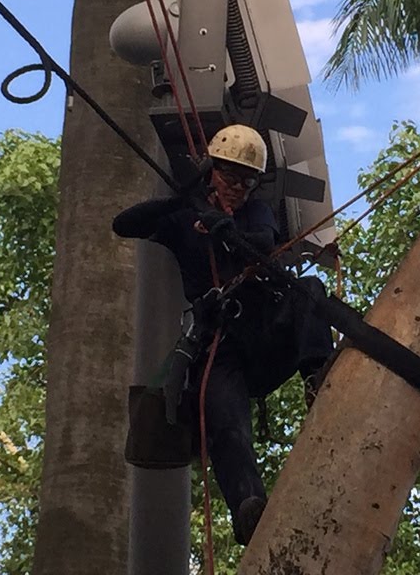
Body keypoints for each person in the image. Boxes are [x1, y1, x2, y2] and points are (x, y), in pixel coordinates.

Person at [112, 124, 334, 545]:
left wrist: (225, 229)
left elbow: (263, 244)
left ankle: (316, 375)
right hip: (221, 346)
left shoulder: (256, 212)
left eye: (247, 181)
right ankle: (249, 507)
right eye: (229, 177)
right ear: (212, 171)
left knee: (309, 291)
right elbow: (124, 224)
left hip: (264, 334)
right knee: (227, 428)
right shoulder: (184, 218)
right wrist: (184, 201)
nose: (238, 188)